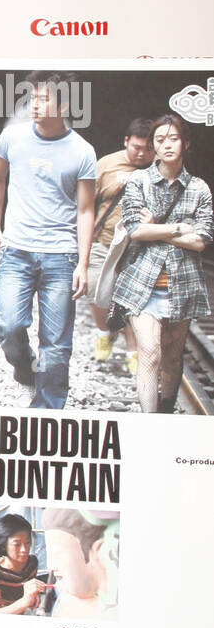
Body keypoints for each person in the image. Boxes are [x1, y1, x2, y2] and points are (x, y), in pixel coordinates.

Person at [0, 70, 96, 409]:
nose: (34, 104)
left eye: (43, 98)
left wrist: (83, 263)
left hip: (61, 256)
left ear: (64, 104)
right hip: (17, 250)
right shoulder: (12, 138)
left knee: (57, 343)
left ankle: (47, 410)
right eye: (32, 97)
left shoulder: (82, 151)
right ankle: (24, 367)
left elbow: (86, 210)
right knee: (9, 324)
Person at [110, 112, 212, 413]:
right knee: (150, 352)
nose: (167, 145)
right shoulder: (139, 181)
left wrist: (158, 229)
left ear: (186, 143)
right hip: (143, 283)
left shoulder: (199, 188)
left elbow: (202, 240)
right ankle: (150, 421)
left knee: (172, 355)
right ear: (153, 146)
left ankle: (165, 410)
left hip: (183, 284)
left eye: (174, 138)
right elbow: (136, 229)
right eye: (160, 139)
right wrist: (180, 228)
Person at [89, 119, 154, 372]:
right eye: (136, 147)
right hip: (103, 241)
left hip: (138, 248)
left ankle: (133, 352)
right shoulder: (106, 164)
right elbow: (85, 203)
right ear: (126, 141)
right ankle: (104, 332)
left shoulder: (160, 169)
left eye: (148, 149)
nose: (141, 153)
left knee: (131, 301)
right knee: (95, 289)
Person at [0, 513, 49, 614]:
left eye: (27, 542)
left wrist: (34, 596)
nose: (24, 550)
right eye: (17, 544)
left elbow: (27, 593)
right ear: (3, 545)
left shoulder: (32, 563)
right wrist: (25, 602)